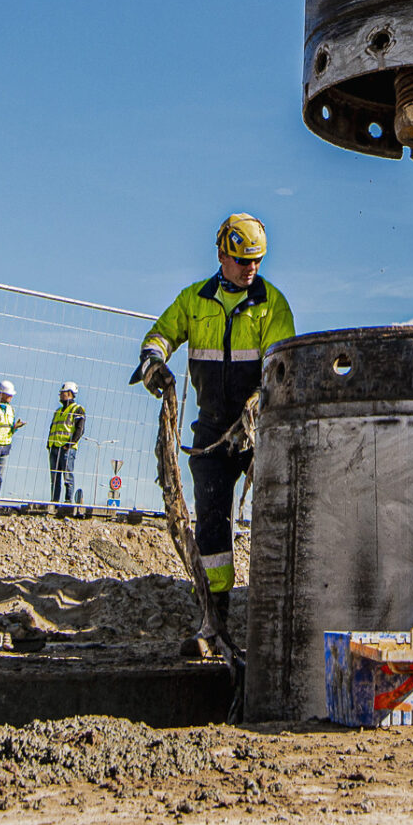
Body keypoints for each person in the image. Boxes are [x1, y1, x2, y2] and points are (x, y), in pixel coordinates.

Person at [132, 213, 295, 627]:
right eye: (243, 261)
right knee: (211, 523)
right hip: (212, 428)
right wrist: (153, 362)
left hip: (262, 428)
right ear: (222, 255)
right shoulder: (194, 300)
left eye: (257, 261)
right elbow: (161, 335)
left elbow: (282, 367)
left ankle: (276, 615)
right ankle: (213, 616)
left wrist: (259, 401)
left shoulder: (271, 305)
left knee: (278, 517)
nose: (251, 269)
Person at [47, 381, 85, 504]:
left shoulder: (77, 409)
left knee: (67, 477)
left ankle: (68, 501)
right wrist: (49, 444)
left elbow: (80, 429)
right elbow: (52, 427)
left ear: (69, 393)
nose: (60, 395)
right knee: (55, 478)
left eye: (62, 393)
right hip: (54, 447)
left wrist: (69, 444)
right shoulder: (58, 411)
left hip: (67, 449)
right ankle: (55, 501)